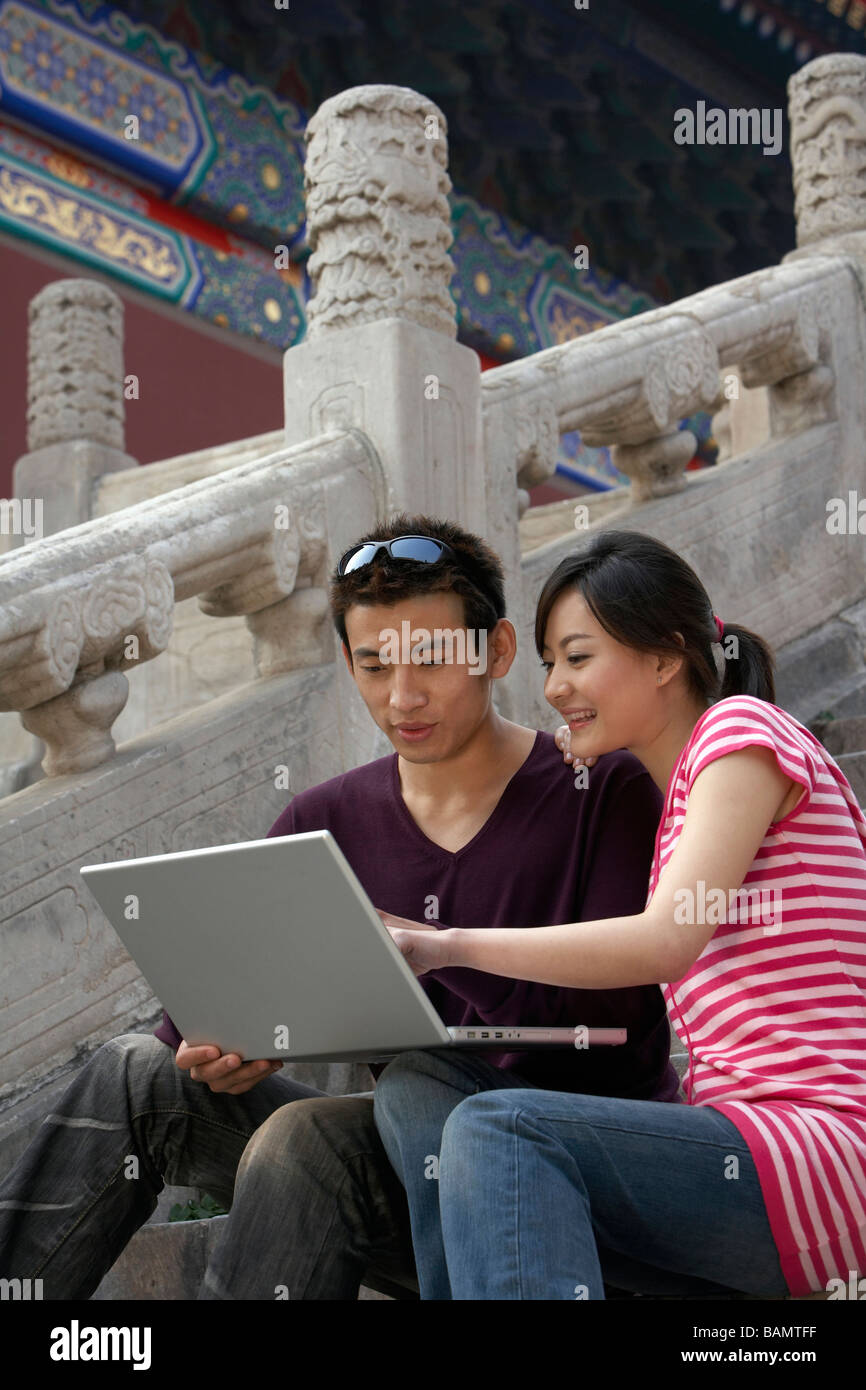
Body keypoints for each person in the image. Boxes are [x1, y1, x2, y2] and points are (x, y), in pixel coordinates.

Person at [0, 516, 676, 1301]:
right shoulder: (321, 823)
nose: (402, 697)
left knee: (313, 1132)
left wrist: (445, 949)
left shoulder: (603, 789)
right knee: (136, 1072)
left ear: (495, 651)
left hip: (573, 1172)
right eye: (374, 665)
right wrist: (229, 1047)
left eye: (430, 661)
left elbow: (622, 1015)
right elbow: (206, 1025)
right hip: (403, 1160)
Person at [375, 528, 866, 1300]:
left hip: (819, 1155)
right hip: (741, 1154)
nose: (554, 689)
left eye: (577, 658)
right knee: (423, 1086)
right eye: (548, 664)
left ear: (667, 657)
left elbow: (666, 939)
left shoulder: (742, 733)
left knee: (501, 1130)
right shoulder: (679, 801)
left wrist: (447, 945)